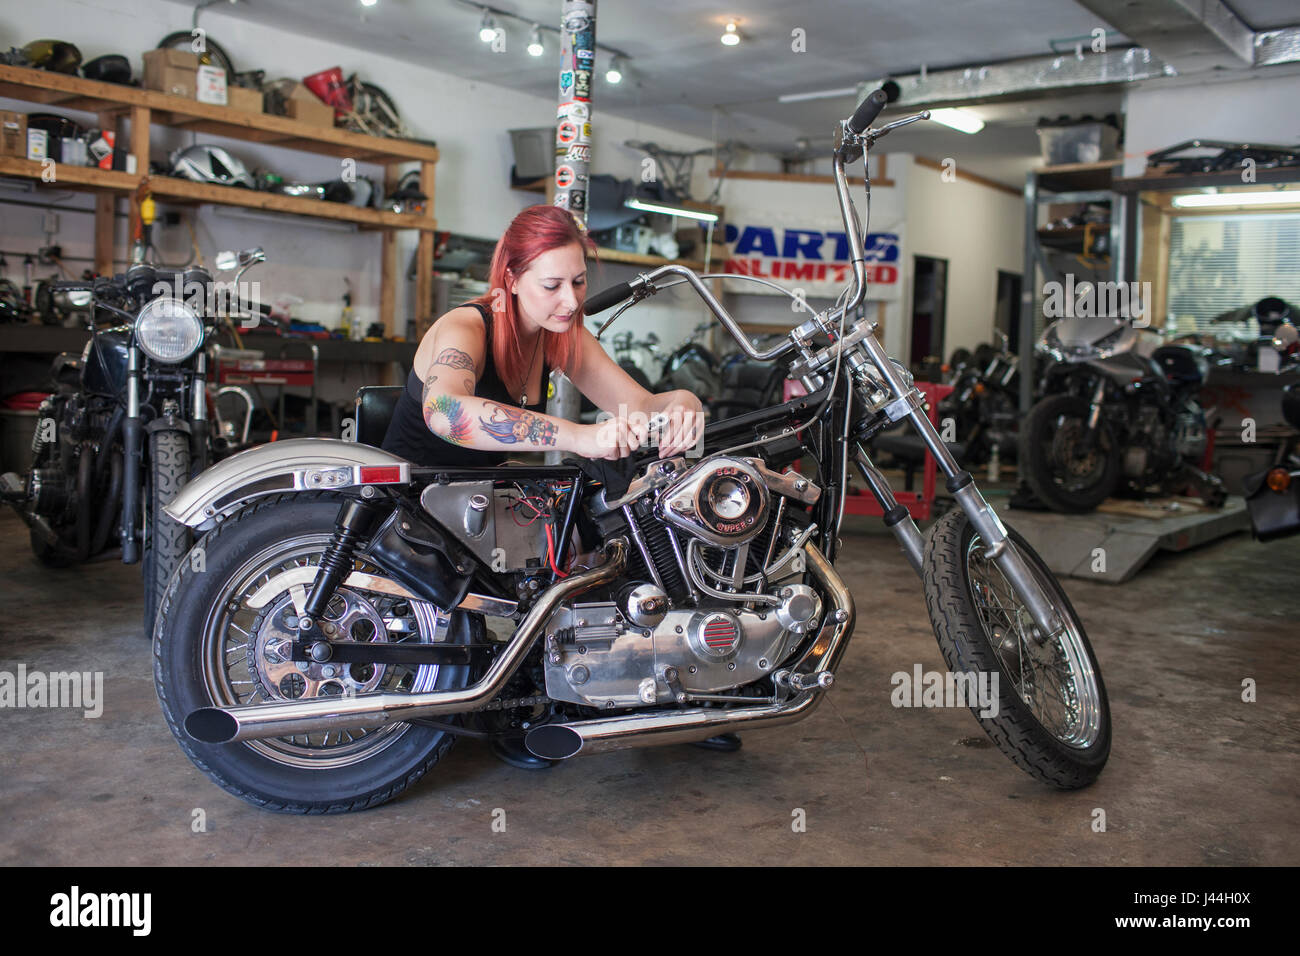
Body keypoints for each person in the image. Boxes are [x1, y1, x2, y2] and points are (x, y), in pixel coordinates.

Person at [382, 205, 740, 766]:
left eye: (577, 282)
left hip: (484, 502)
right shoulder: (465, 327)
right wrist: (579, 436)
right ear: (511, 278)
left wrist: (684, 402)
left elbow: (638, 405)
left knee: (616, 512)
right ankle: (524, 708)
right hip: (418, 510)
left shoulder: (557, 335)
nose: (570, 301)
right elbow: (446, 412)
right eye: (551, 285)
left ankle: (657, 681)